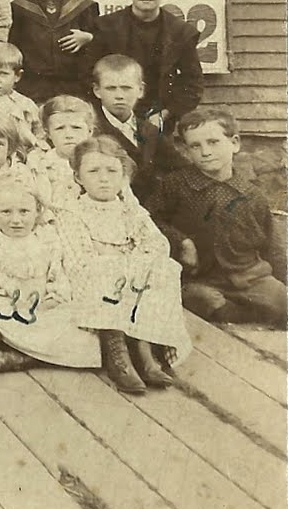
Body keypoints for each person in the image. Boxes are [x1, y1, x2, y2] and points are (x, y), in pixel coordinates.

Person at [53, 137, 189, 394]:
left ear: (123, 175)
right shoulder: (72, 211)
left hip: (132, 273)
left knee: (166, 267)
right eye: (93, 171)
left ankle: (145, 349)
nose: (104, 179)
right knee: (106, 270)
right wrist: (121, 259)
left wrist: (133, 260)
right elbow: (78, 258)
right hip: (91, 280)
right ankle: (117, 352)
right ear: (78, 178)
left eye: (112, 171)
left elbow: (157, 243)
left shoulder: (131, 210)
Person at [148, 108, 287, 327]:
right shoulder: (175, 185)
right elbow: (149, 220)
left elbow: (273, 246)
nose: (205, 152)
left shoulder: (251, 194)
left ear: (235, 143)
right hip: (202, 278)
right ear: (186, 150)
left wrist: (287, 284)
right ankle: (236, 318)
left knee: (286, 304)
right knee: (202, 300)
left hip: (250, 277)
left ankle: (253, 314)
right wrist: (181, 241)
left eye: (213, 142)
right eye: (195, 145)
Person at [0, 178, 100, 372]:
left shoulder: (47, 241)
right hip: (5, 309)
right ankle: (20, 350)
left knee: (83, 334)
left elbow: (57, 277)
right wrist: (9, 305)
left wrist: (52, 300)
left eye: (24, 212)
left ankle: (22, 356)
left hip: (42, 310)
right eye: (6, 212)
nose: (16, 220)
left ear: (37, 212)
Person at [90, 0, 205, 132]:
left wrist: (165, 114)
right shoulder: (105, 27)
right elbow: (88, 77)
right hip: (111, 119)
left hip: (157, 119)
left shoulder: (181, 32)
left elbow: (193, 85)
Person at [10, 0, 99, 104]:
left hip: (75, 88)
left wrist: (89, 38)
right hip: (32, 89)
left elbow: (100, 48)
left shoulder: (84, 6)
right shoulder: (19, 8)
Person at [89, 54, 189, 203]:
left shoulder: (148, 129)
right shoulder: (92, 130)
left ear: (140, 90)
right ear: (97, 90)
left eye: (126, 88)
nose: (119, 96)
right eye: (111, 88)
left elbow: (180, 166)